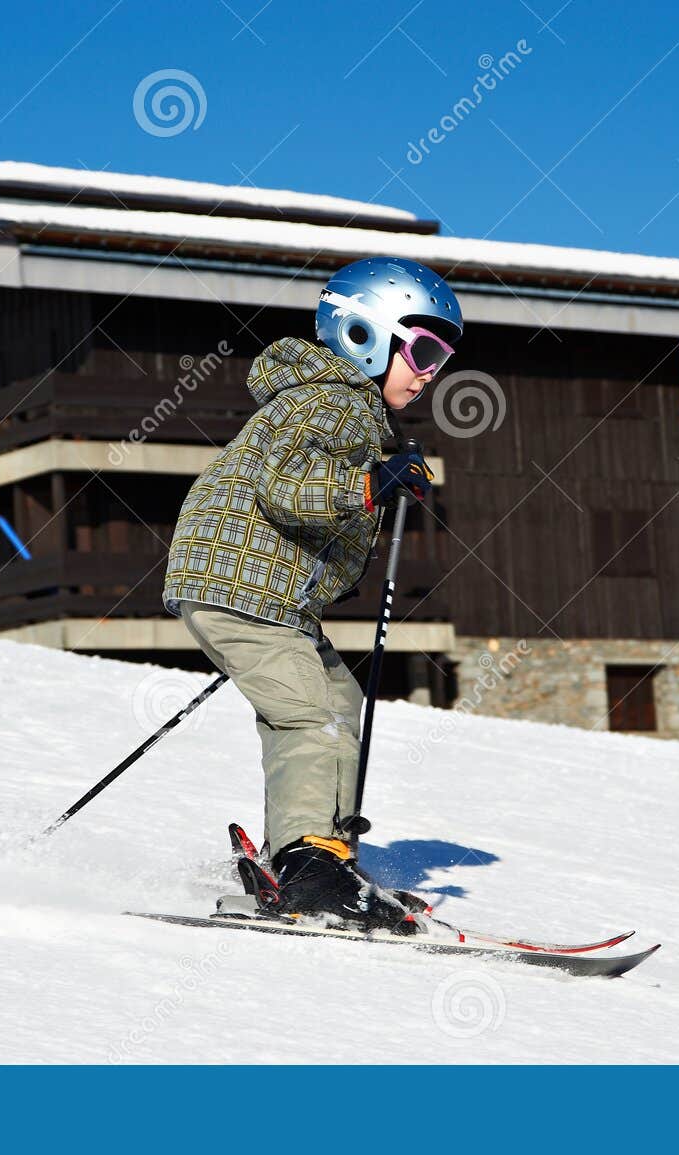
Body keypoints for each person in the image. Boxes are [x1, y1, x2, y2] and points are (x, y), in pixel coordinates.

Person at [162, 256, 462, 929]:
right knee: (309, 713)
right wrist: (368, 484)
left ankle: (317, 852)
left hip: (259, 591)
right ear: (364, 335)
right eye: (422, 350)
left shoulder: (338, 405)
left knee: (334, 699)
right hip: (240, 587)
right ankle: (307, 863)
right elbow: (288, 487)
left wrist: (377, 480)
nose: (429, 373)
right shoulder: (335, 399)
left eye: (440, 358)